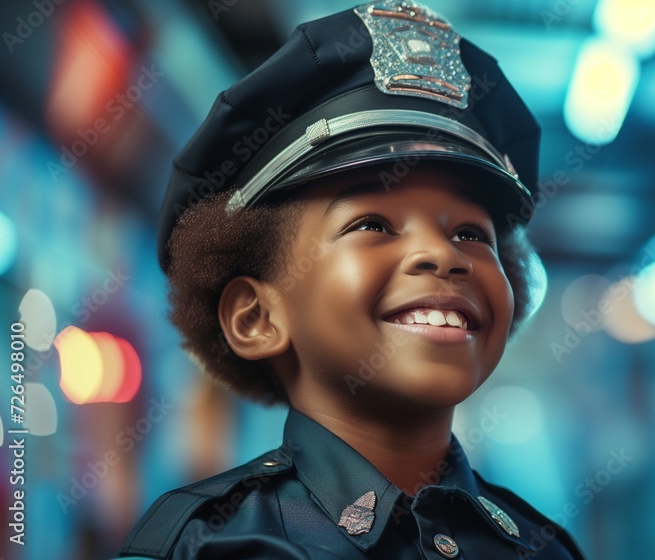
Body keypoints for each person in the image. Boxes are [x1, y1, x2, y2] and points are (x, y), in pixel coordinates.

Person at [116, 1, 585, 558]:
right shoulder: (203, 546)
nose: (442, 254)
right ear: (257, 317)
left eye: (471, 234)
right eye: (373, 225)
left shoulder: (545, 548)